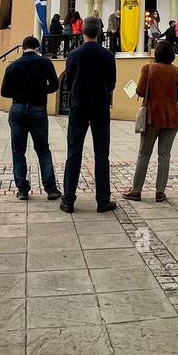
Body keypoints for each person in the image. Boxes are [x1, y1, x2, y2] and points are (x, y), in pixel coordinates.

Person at [60, 15, 117, 214]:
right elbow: (112, 83)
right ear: (99, 32)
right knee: (102, 154)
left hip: (78, 108)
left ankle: (68, 200)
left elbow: (67, 82)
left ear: (83, 31)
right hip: (100, 108)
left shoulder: (73, 55)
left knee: (73, 153)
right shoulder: (108, 55)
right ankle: (103, 200)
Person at [0, 35, 61, 202]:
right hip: (38, 108)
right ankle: (51, 188)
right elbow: (55, 85)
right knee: (42, 149)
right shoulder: (45, 63)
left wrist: (20, 92)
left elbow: (4, 91)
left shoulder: (13, 66)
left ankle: (22, 189)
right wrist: (42, 90)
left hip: (18, 108)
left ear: (23, 47)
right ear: (37, 48)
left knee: (18, 150)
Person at [123, 40, 178, 202]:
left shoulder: (148, 68)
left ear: (156, 53)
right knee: (164, 155)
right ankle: (160, 191)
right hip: (172, 118)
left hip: (152, 117)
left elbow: (140, 91)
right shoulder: (177, 71)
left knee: (144, 154)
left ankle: (136, 190)